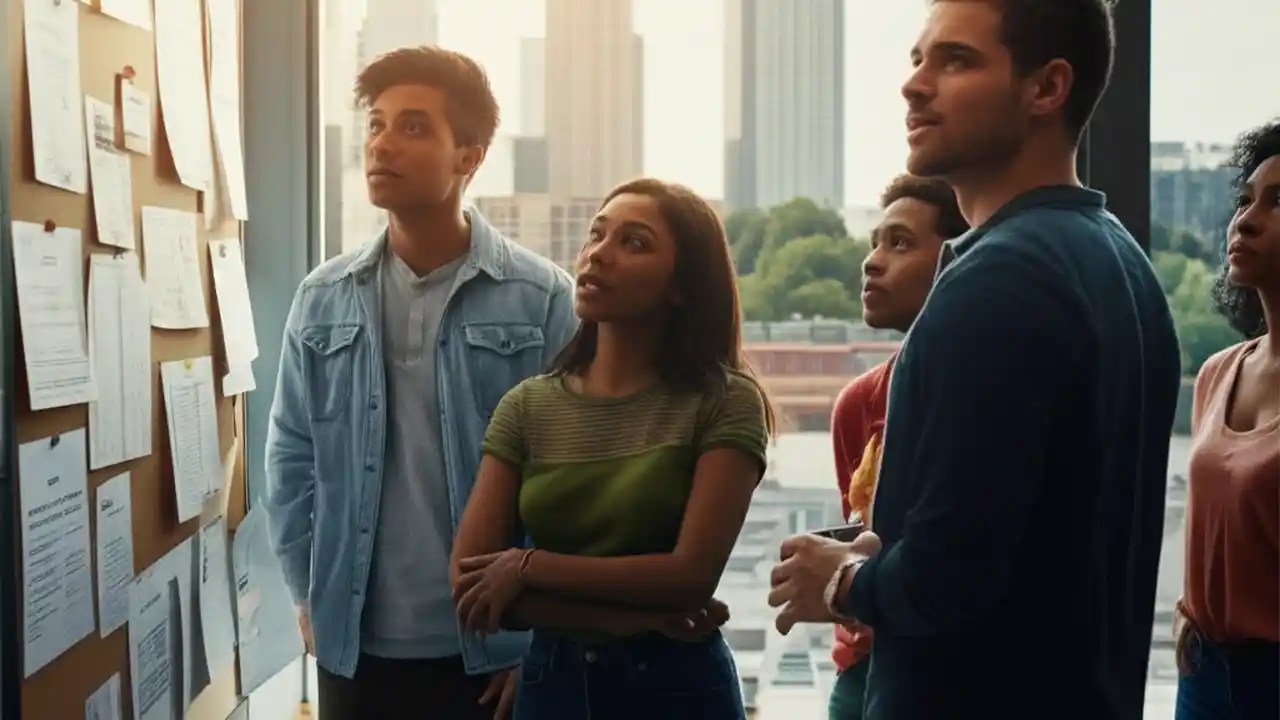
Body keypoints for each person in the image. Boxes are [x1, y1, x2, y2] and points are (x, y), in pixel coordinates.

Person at [767, 1, 1183, 718]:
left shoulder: (1001, 280)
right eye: (917, 60)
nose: (914, 85)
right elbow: (1031, 537)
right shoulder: (1123, 263)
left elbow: (948, 581)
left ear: (1046, 88)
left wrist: (840, 580)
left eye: (955, 60)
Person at [263, 46, 577, 720]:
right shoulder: (323, 297)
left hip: (493, 647)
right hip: (356, 644)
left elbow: (575, 479)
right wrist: (306, 596)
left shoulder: (542, 298)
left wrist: (544, 638)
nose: (382, 145)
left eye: (412, 127)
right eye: (375, 125)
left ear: (470, 155)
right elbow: (290, 461)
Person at [448, 178, 774, 720]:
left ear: (681, 286)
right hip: (554, 684)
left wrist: (528, 565)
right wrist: (634, 617)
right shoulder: (527, 407)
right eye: (597, 235)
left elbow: (689, 576)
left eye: (635, 242)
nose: (599, 253)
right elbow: (472, 589)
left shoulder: (724, 401)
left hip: (677, 689)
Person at [827, 174, 968, 720]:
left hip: (952, 669)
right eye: (875, 243)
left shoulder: (977, 391)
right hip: (862, 668)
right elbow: (861, 528)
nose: (873, 261)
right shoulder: (859, 404)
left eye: (901, 243)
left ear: (958, 258)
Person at [1174, 119, 1279, 720]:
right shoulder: (1217, 372)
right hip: (1207, 670)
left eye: (1279, 201)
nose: (1247, 218)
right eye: (1245, 199)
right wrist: (1193, 612)